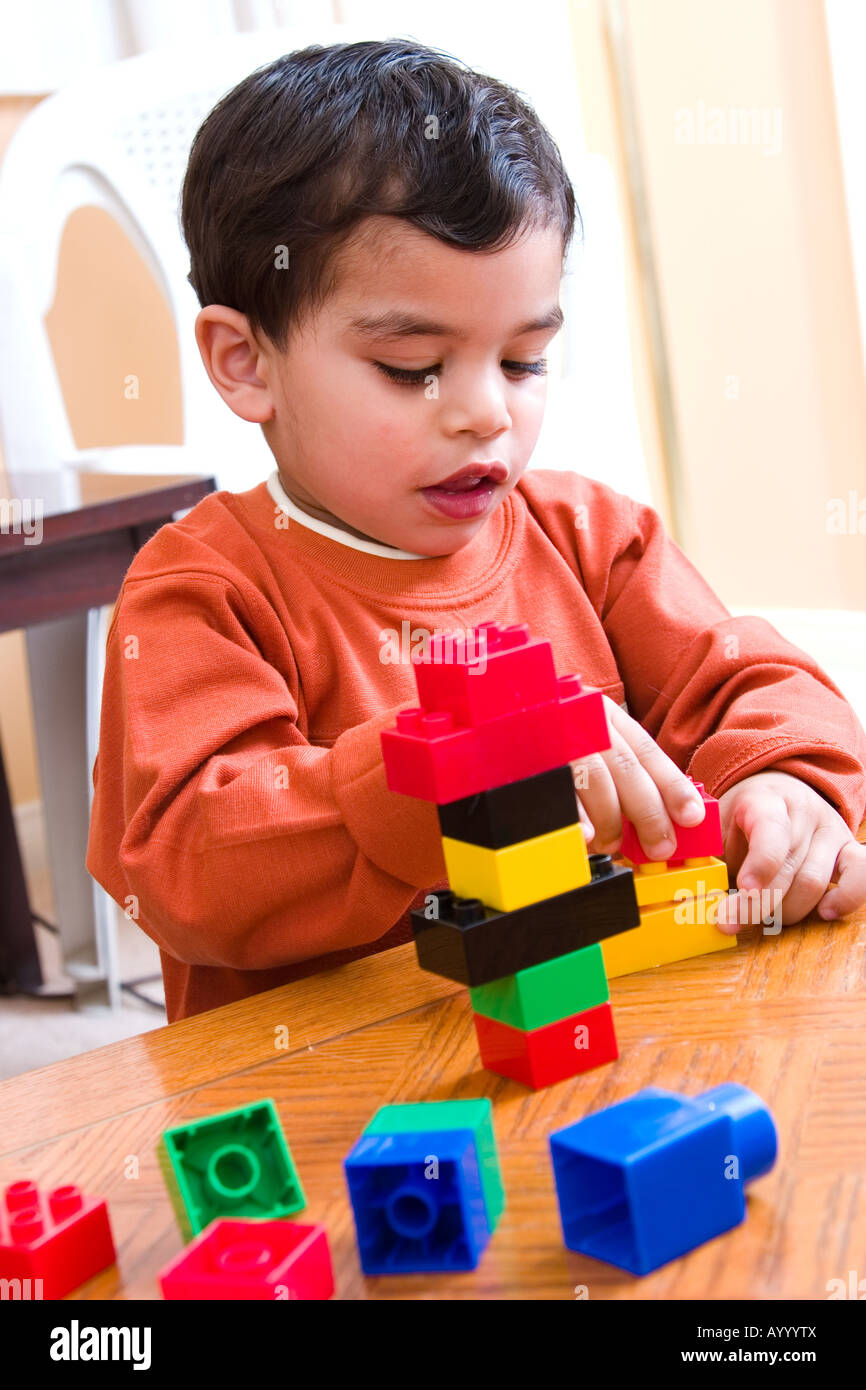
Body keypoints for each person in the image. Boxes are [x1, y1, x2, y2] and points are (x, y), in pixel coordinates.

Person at [86, 39, 866, 1021]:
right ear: (247, 362)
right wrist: (453, 772)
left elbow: (750, 683)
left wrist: (784, 782)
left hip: (606, 1038)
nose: (484, 413)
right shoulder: (199, 590)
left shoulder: (589, 534)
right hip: (338, 1110)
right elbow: (187, 866)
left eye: (524, 359)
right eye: (413, 367)